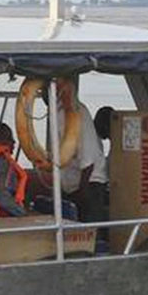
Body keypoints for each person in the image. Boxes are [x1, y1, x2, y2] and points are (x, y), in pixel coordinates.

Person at [55, 77, 108, 223]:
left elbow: (88, 157)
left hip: (88, 184)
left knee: (88, 230)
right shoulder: (58, 113)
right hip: (72, 185)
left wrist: (82, 192)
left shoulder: (77, 112)